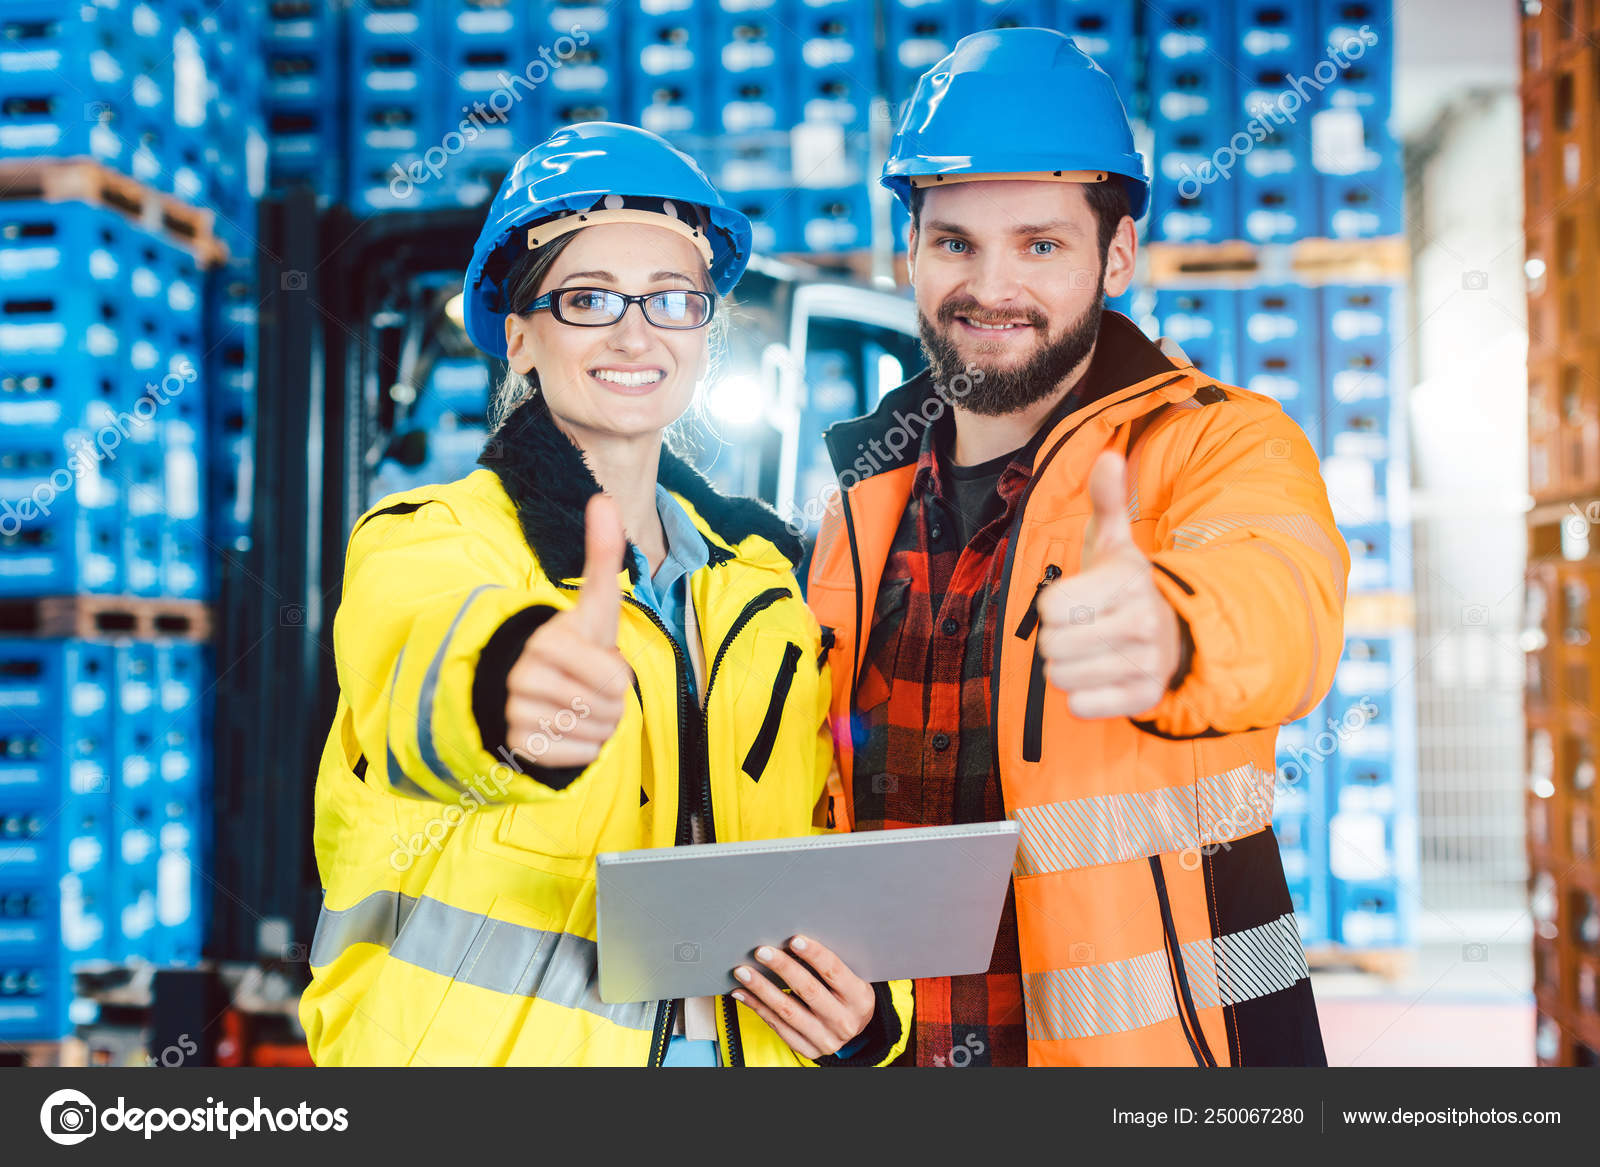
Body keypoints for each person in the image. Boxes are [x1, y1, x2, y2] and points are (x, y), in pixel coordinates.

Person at [299, 121, 911, 1067]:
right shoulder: (428, 540)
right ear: (520, 339)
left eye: (673, 300)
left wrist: (871, 1019)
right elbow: (422, 662)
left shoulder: (765, 582)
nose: (636, 331)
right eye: (589, 299)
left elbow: (822, 833)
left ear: (705, 337)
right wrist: (505, 682)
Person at [806, 29, 1347, 1066]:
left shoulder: (1216, 441)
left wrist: (1177, 629)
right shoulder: (862, 496)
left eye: (1040, 245)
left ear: (1118, 255)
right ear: (909, 252)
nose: (990, 286)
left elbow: (1282, 596)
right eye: (955, 242)